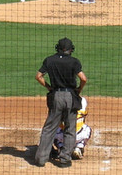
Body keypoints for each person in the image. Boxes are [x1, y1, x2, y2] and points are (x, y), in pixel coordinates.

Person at [34, 37, 88, 168]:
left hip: (56, 96)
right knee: (70, 128)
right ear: (71, 49)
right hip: (70, 96)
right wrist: (78, 90)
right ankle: (64, 160)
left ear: (57, 48)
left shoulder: (50, 60)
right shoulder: (74, 61)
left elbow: (38, 76)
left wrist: (49, 87)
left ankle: (41, 159)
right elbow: (83, 79)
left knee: (49, 128)